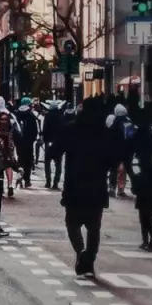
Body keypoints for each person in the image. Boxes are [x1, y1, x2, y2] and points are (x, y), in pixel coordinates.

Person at [60, 98, 116, 276]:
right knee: (94, 226)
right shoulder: (105, 133)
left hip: (74, 184)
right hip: (97, 186)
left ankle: (80, 251)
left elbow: (55, 150)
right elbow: (113, 160)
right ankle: (89, 258)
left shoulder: (71, 129)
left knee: (72, 222)